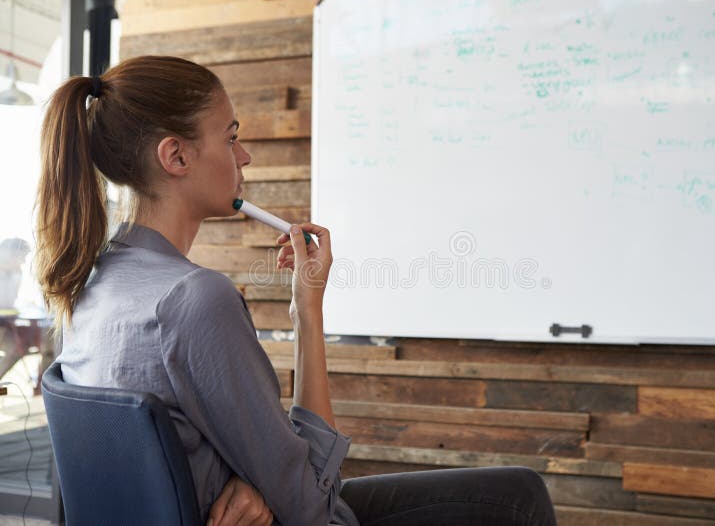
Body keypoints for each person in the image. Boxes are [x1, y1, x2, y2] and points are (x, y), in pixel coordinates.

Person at [35, 55, 556, 526]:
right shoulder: (194, 299)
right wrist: (310, 319)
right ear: (176, 157)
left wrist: (259, 482)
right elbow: (312, 509)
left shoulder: (92, 283)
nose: (245, 156)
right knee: (520, 497)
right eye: (230, 135)